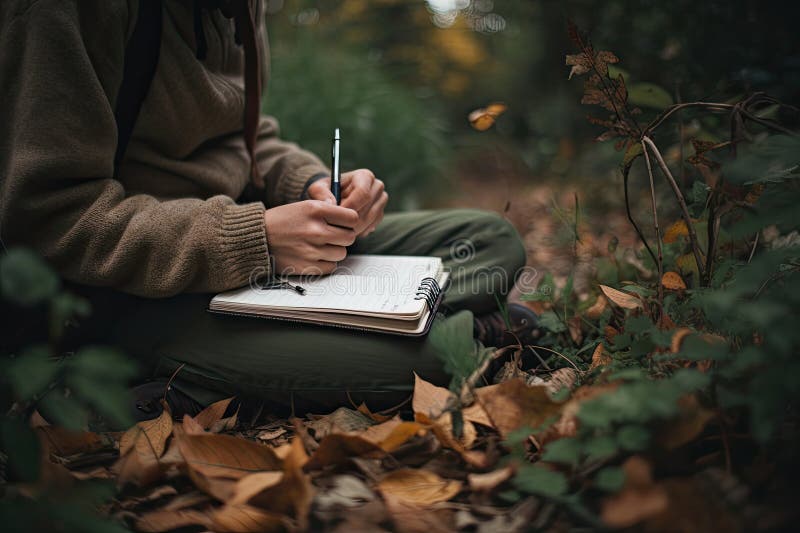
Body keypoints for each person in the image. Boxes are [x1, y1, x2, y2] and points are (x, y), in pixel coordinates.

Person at [0, 0, 537, 418]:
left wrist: (315, 186)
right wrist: (251, 239)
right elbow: (50, 214)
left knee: (490, 240)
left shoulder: (239, 7)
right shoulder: (66, 12)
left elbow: (249, 138)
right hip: (129, 293)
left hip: (250, 264)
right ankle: (158, 384)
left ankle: (403, 328)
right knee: (428, 363)